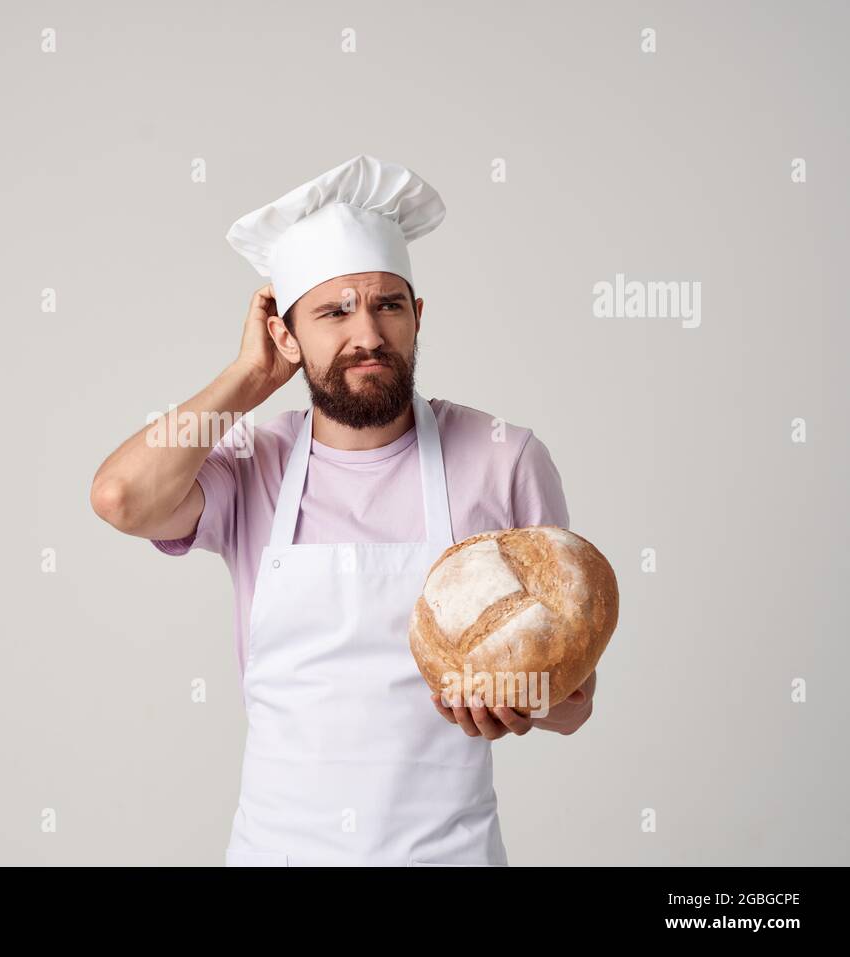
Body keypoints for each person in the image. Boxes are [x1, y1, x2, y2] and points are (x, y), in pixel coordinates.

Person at [91, 154, 595, 867]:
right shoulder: (253, 465)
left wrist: (526, 701)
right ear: (287, 338)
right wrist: (243, 380)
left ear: (417, 318)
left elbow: (577, 702)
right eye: (334, 311)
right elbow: (120, 497)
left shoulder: (502, 456)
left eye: (389, 304)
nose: (368, 334)